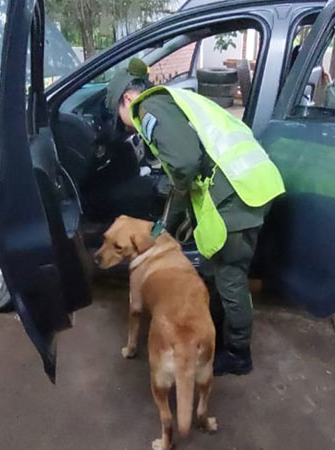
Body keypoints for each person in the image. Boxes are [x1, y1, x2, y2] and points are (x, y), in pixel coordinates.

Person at [104, 58, 285, 376]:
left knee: (231, 277)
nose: (127, 126)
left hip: (239, 195)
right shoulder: (172, 101)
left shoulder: (147, 108)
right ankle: (214, 329)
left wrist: (163, 225)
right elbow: (184, 175)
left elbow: (184, 166)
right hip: (249, 186)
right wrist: (165, 226)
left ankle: (238, 354)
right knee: (217, 269)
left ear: (128, 99)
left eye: (121, 118)